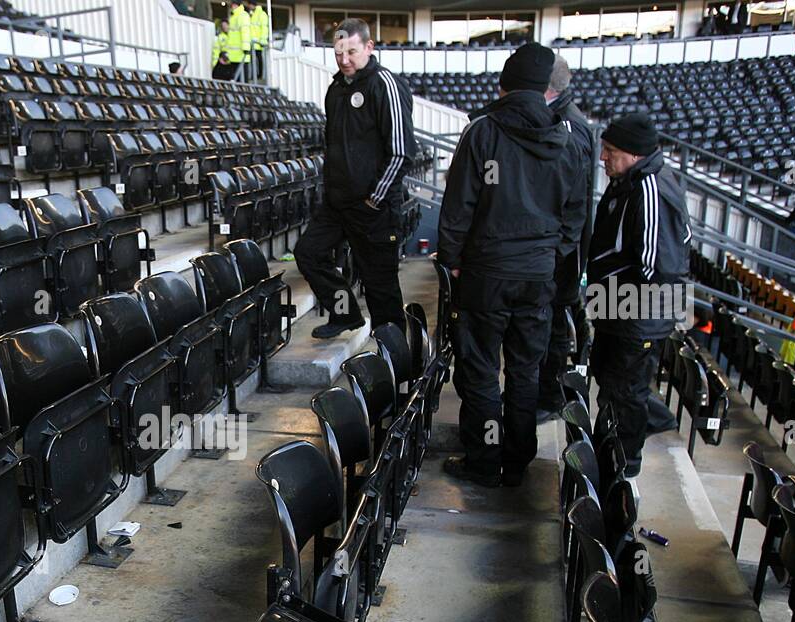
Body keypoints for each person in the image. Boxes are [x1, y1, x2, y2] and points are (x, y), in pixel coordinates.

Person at [436, 42, 580, 488]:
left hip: (487, 274)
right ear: (543, 89)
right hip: (536, 276)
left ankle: (483, 461)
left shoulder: (483, 132)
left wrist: (453, 260)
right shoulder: (567, 141)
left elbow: (458, 206)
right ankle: (516, 463)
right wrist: (548, 259)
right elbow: (574, 219)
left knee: (479, 371)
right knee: (524, 372)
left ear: (504, 85)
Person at [293, 18, 414, 340]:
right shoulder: (335, 90)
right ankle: (345, 314)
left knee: (381, 287)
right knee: (307, 252)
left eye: (351, 52)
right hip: (337, 204)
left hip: (374, 208)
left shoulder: (385, 84)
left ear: (369, 47)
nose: (344, 60)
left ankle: (398, 363)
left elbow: (401, 152)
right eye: (338, 54)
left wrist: (374, 199)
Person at [587, 112, 692, 478]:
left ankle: (621, 471)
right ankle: (619, 451)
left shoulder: (650, 188)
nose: (603, 158)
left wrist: (603, 287)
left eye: (610, 151)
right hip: (621, 310)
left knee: (624, 394)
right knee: (610, 380)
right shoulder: (632, 180)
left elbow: (654, 267)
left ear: (632, 154)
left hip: (637, 315)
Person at [537, 55, 594, 424]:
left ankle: (551, 396)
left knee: (555, 322)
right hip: (564, 247)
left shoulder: (568, 126)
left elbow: (572, 204)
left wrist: (558, 250)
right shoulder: (565, 119)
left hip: (565, 252)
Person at [227, 0, 251, 81]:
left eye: (232, 4)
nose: (231, 6)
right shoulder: (234, 17)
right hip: (234, 55)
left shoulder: (242, 15)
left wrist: (246, 48)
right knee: (236, 79)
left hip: (241, 53)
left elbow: (245, 32)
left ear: (236, 5)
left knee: (242, 79)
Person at [248, 0, 269, 83]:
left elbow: (264, 28)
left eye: (250, 5)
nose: (249, 7)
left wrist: (262, 40)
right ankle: (254, 74)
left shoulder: (261, 14)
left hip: (258, 43)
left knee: (259, 59)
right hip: (252, 42)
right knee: (253, 60)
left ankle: (259, 75)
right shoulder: (252, 14)